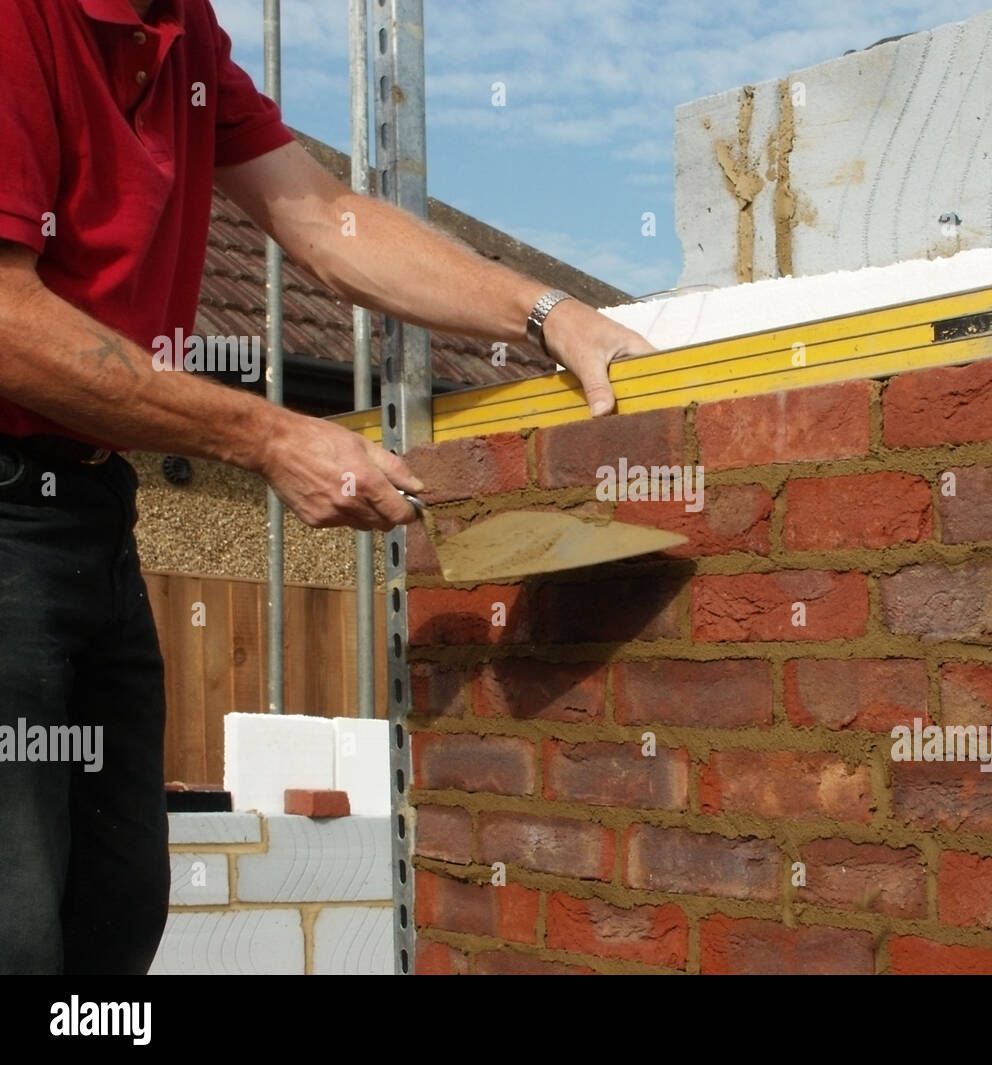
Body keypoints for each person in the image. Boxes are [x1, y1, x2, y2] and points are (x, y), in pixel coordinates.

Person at [0, 0, 652, 974]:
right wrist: (266, 435)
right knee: (17, 926)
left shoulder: (181, 32)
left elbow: (331, 225)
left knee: (114, 911)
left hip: (91, 508)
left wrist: (543, 313)